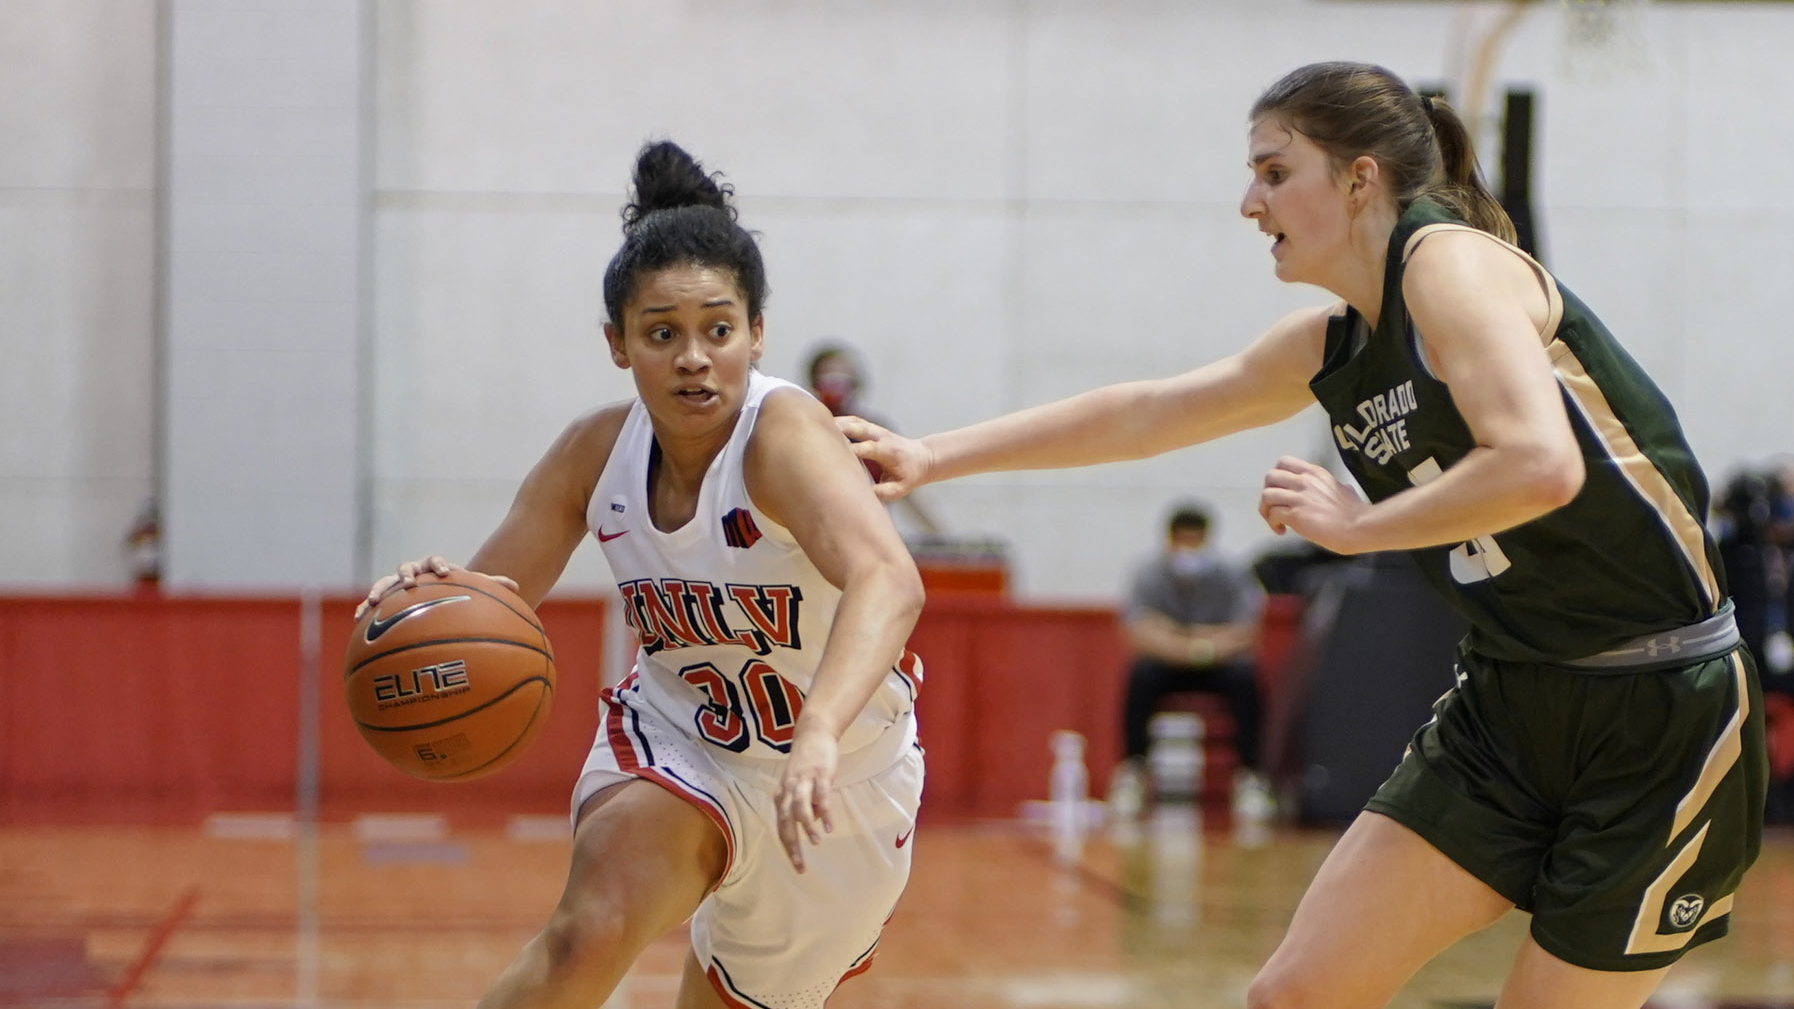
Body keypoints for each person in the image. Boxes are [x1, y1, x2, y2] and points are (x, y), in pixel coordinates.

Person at [841, 61, 1765, 1009]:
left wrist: (1362, 526)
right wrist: (931, 455)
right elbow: (1145, 414)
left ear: (1361, 177)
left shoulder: (1450, 266)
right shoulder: (1334, 346)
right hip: (1510, 702)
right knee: (1294, 993)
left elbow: (1540, 463)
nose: (1250, 201)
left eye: (1275, 171)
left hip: (1661, 710)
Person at [358, 140, 928, 1009]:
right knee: (589, 930)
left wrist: (817, 727)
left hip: (840, 779)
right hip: (682, 740)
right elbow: (488, 605)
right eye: (662, 333)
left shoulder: (784, 439)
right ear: (619, 344)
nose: (694, 356)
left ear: (757, 334)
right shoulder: (594, 456)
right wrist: (434, 603)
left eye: (718, 330)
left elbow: (890, 579)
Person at [1108, 502, 1268, 821]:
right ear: (1170, 540)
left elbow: (1244, 632)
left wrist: (1189, 642)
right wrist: (1193, 644)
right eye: (1184, 540)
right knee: (1141, 675)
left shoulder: (1231, 574)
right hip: (1168, 663)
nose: (1190, 549)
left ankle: (1250, 777)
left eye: (1196, 541)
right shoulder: (1148, 574)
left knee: (1245, 678)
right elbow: (1140, 632)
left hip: (1216, 663)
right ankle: (1133, 770)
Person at [804, 341, 946, 537]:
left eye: (843, 375)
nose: (836, 382)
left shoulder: (872, 430)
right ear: (814, 382)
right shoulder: (803, 429)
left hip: (870, 535)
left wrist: (942, 537)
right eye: (828, 374)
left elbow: (908, 491)